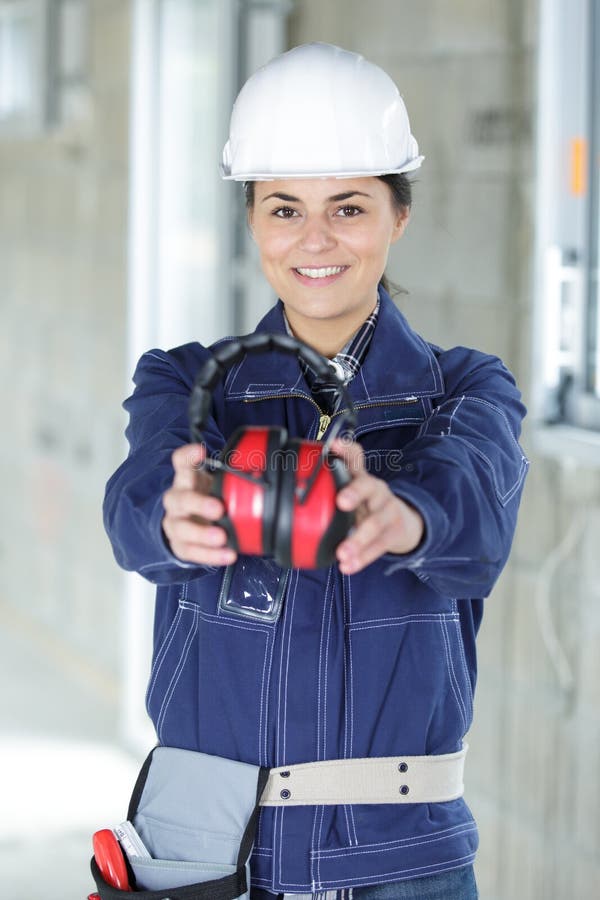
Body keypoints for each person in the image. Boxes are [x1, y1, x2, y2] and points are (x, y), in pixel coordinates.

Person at [104, 43, 529, 900]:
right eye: (284, 209)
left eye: (349, 207)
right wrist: (168, 518)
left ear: (398, 215)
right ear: (252, 219)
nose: (316, 240)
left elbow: (474, 516)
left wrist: (403, 518)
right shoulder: (189, 384)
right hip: (204, 854)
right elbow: (133, 503)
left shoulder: (466, 387)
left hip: (400, 860)